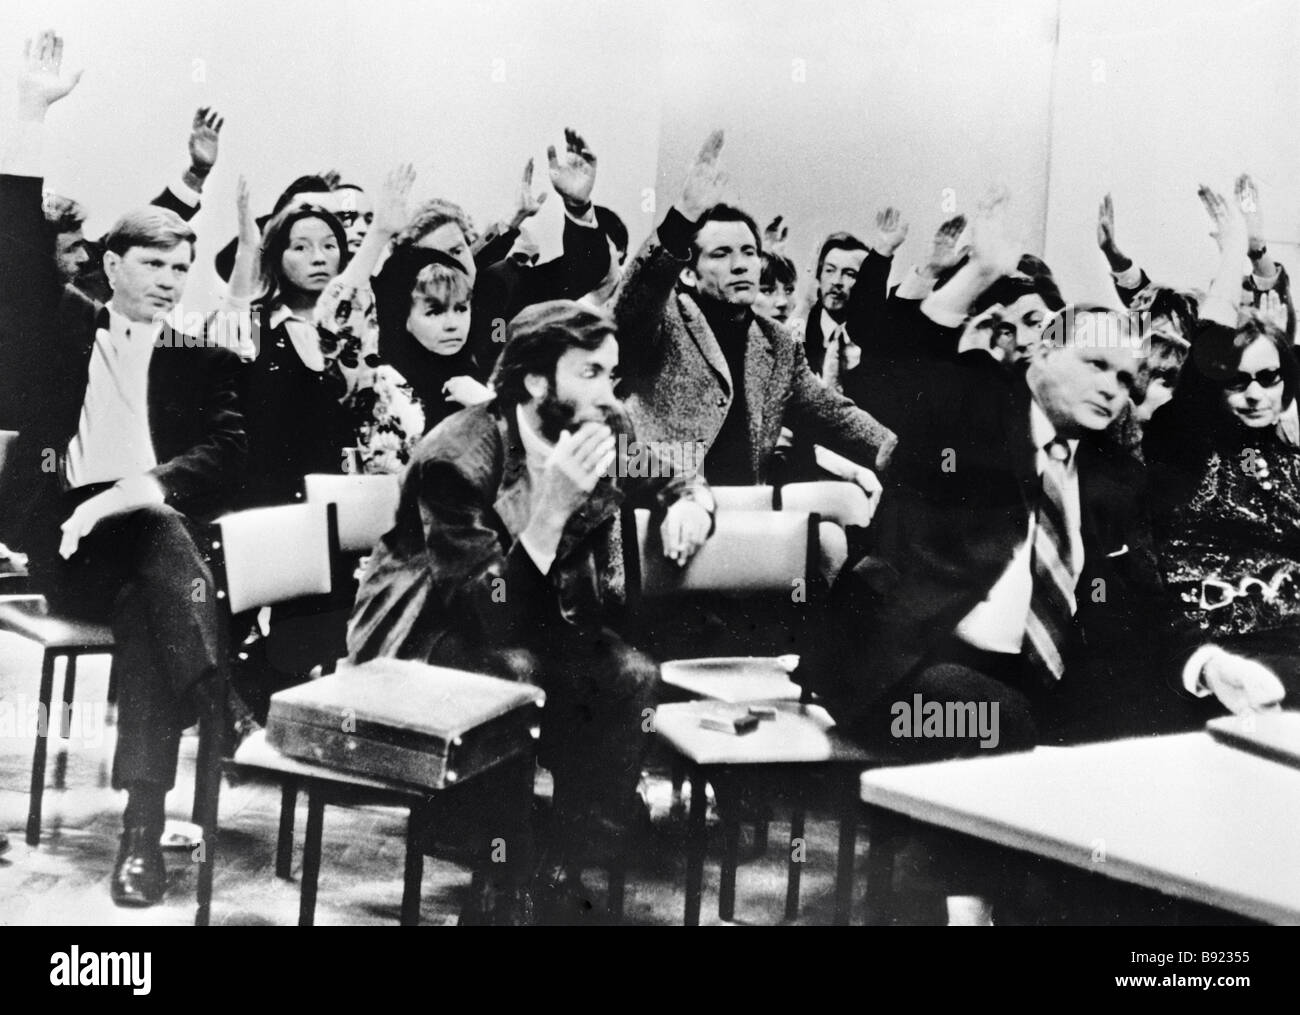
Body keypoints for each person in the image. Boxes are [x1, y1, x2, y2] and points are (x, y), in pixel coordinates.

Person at [808, 191, 1286, 924]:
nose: (1112, 388)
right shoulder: (972, 416)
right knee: (999, 720)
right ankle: (958, 903)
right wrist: (979, 270)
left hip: (1029, 676)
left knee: (1144, 721)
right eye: (1095, 363)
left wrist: (1207, 663)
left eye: (1126, 380)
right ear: (1038, 352)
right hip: (901, 676)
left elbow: (1146, 595)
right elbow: (894, 375)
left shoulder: (1108, 474)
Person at [347, 299, 715, 922]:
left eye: (613, 373)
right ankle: (498, 878)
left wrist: (691, 501)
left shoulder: (606, 427)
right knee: (511, 671)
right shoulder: (456, 457)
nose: (611, 394)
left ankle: (565, 864)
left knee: (632, 676)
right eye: (591, 373)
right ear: (536, 380)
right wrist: (551, 510)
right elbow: (482, 608)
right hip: (432, 626)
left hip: (540, 616)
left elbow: (672, 466)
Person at [0, 33, 245, 907]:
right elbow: (19, 253)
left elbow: (225, 449)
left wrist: (141, 490)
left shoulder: (195, 354)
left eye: (184, 266)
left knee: (153, 598)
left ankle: (141, 837)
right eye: (154, 263)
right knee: (163, 539)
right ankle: (221, 693)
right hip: (67, 550)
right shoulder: (66, 329)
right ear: (109, 267)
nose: (174, 280)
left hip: (143, 561)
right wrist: (29, 115)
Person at [611, 130, 895, 496]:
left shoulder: (778, 343)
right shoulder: (663, 321)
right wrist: (684, 215)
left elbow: (834, 414)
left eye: (748, 252)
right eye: (720, 254)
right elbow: (631, 306)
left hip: (742, 514)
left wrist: (900, 453)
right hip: (664, 508)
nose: (741, 264)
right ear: (688, 271)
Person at [1144, 185, 1300, 693]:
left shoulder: (1288, 449)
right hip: (1225, 654)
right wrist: (1233, 254)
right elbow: (1207, 352)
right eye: (1238, 381)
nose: (1256, 394)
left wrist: (1260, 255)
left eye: (1268, 378)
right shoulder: (1187, 438)